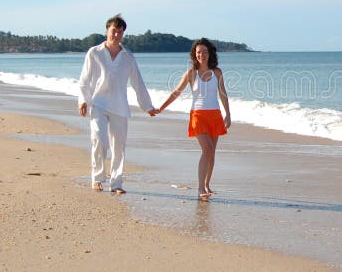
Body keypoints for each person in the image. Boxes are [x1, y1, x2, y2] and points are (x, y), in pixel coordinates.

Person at [77, 14, 157, 194]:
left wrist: (148, 106)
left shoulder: (128, 56)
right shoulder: (94, 53)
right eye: (114, 31)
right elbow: (84, 80)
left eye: (120, 32)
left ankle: (116, 183)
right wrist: (83, 100)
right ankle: (97, 179)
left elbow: (138, 83)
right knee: (100, 140)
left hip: (119, 106)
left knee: (119, 146)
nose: (116, 35)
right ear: (106, 31)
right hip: (98, 104)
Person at [156, 38, 231, 201]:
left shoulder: (217, 72)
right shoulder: (191, 73)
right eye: (198, 52)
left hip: (215, 115)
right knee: (207, 150)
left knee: (212, 153)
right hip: (198, 115)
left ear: (210, 53)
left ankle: (207, 184)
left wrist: (228, 114)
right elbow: (176, 92)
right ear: (194, 55)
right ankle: (199, 188)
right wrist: (161, 108)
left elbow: (223, 94)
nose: (202, 55)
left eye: (204, 52)